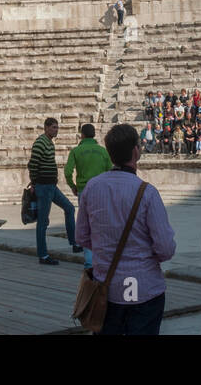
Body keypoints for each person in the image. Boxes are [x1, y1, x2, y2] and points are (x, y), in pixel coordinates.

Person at [75, 124, 177, 335]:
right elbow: (166, 249)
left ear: (110, 153)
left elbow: (81, 237)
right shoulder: (147, 193)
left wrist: (106, 249)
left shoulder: (91, 188)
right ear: (135, 152)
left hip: (106, 289)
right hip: (145, 290)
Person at [28, 117, 80, 265]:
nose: (56, 130)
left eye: (57, 127)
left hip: (51, 186)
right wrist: (34, 183)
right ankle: (43, 255)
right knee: (43, 222)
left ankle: (74, 243)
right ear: (46, 128)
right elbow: (33, 164)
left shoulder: (49, 143)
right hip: (44, 187)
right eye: (53, 127)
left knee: (69, 208)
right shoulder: (40, 142)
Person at [66, 123, 113, 268]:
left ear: (82, 135)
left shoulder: (76, 151)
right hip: (101, 191)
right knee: (101, 223)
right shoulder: (103, 151)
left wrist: (73, 186)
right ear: (94, 135)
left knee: (86, 225)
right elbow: (111, 171)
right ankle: (103, 259)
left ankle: (89, 262)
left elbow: (68, 172)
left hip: (83, 190)